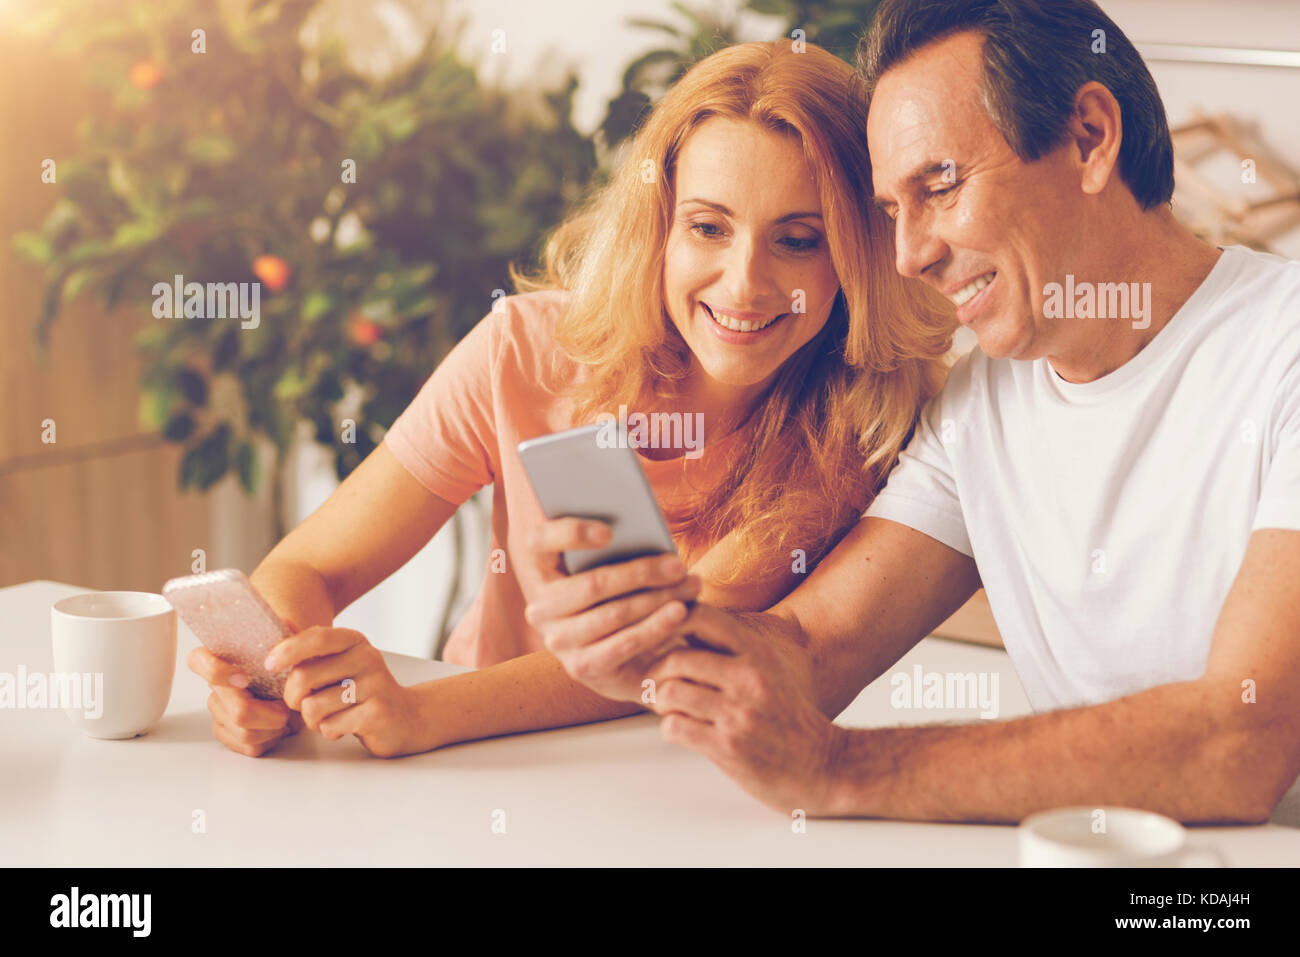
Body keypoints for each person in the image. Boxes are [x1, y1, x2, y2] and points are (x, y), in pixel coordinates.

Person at [533, 0, 1300, 824]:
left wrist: (838, 767)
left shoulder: (1278, 349)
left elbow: (1242, 741)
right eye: (894, 211)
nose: (910, 254)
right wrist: (655, 640)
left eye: (940, 185)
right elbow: (815, 646)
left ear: (1089, 137)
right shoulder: (983, 403)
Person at [187, 39, 954, 758]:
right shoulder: (523, 351)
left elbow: (659, 646)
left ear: (856, 257)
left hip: (680, 788)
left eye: (797, 240)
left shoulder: (854, 423)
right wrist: (275, 670)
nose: (745, 282)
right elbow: (313, 564)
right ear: (660, 228)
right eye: (709, 227)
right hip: (468, 770)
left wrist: (424, 713)